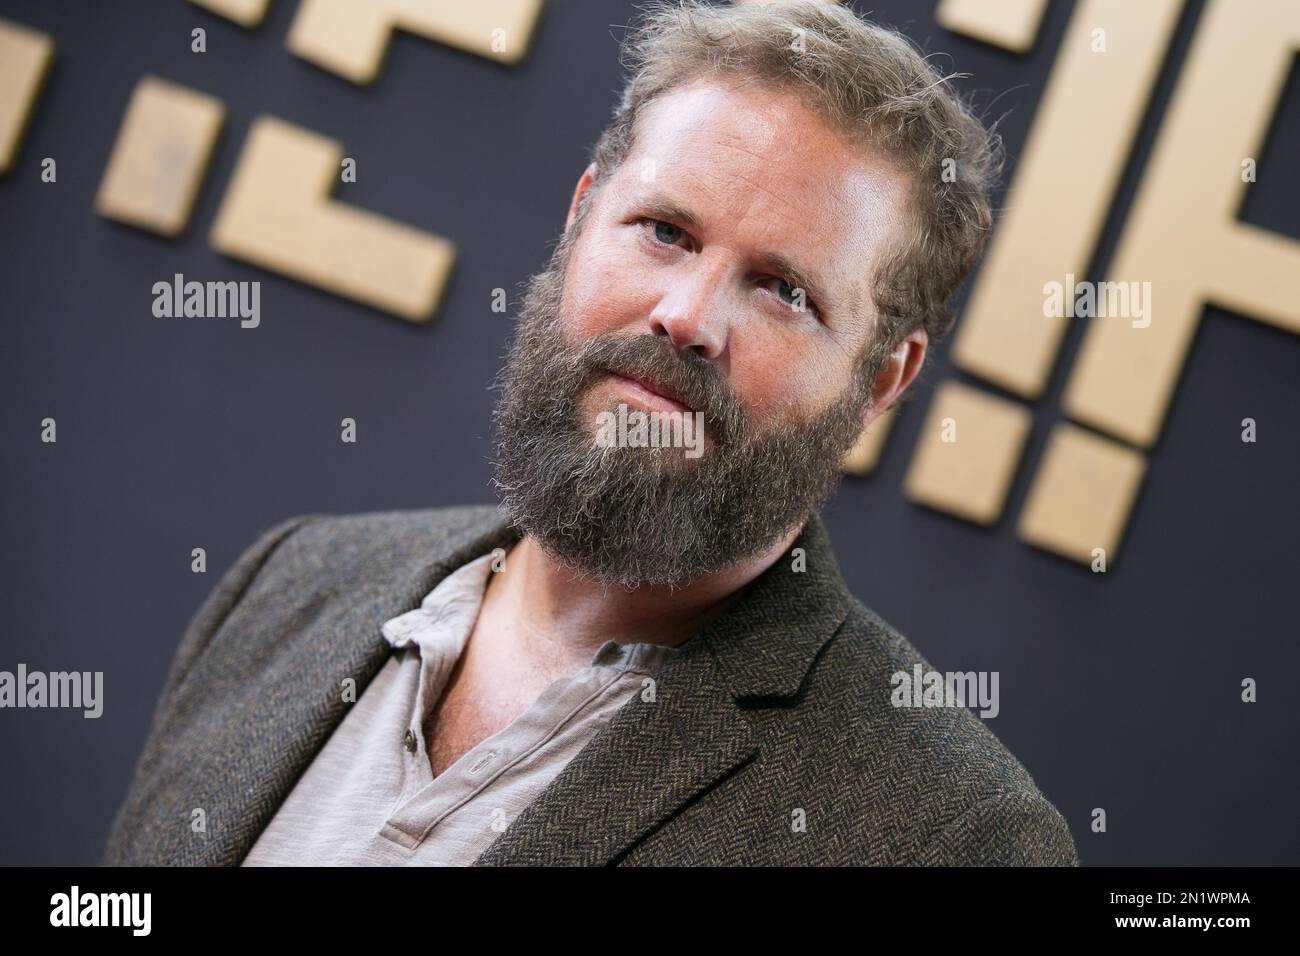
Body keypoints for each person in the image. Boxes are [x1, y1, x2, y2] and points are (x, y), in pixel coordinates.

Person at [104, 0, 1077, 866]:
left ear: (880, 379)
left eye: (783, 290)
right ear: (580, 218)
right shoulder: (292, 582)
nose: (686, 315)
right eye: (664, 231)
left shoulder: (950, 834)